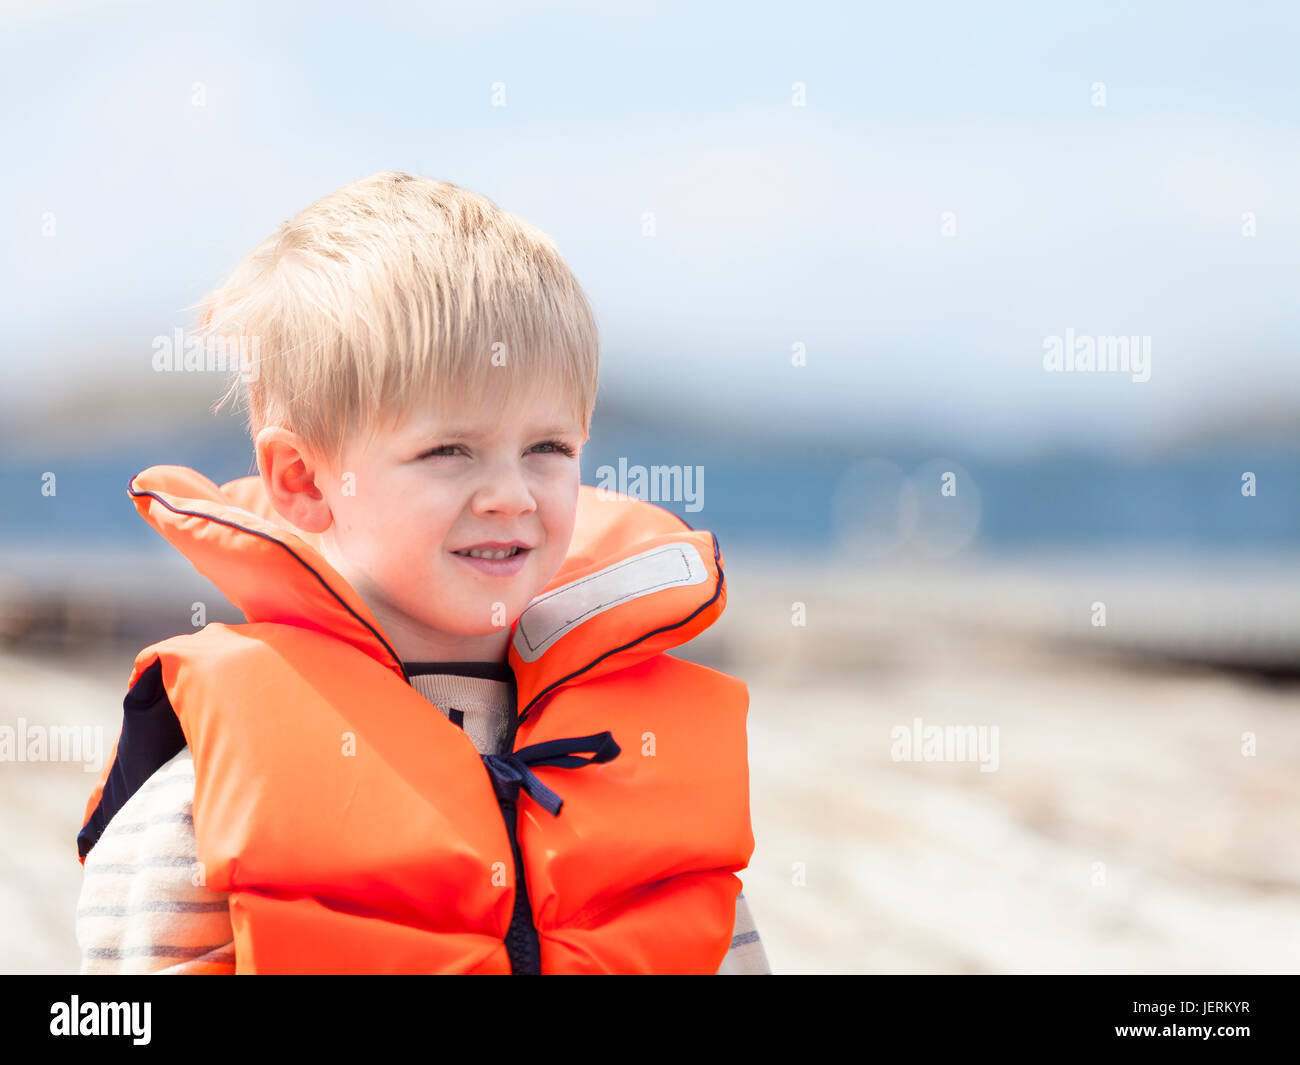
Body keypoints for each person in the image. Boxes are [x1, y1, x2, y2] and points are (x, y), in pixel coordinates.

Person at [74, 171, 769, 974]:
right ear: (301, 479)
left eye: (548, 448)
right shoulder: (200, 802)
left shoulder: (639, 758)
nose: (511, 495)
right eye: (449, 451)